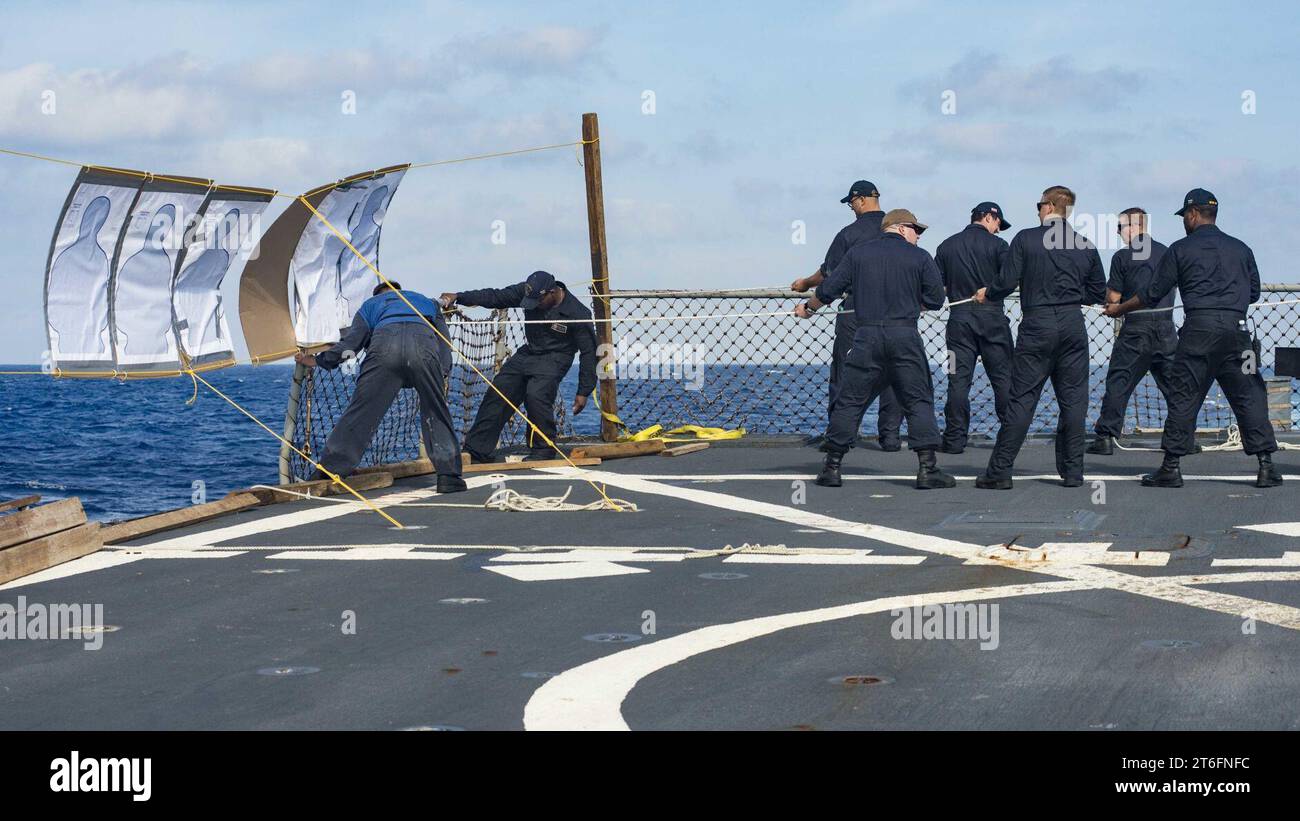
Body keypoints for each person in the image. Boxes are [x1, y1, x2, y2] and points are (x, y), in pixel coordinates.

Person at [1104, 189, 1282, 488]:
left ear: (1192, 214)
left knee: (1184, 396)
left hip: (1198, 333)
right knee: (1250, 395)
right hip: (1238, 335)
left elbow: (1152, 293)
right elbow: (1253, 292)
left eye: (1184, 216)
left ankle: (1171, 467)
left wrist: (1119, 309)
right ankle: (1266, 466)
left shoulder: (1180, 249)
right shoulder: (1241, 248)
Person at [794, 208, 955, 490]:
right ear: (902, 228)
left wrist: (807, 309)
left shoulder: (858, 254)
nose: (918, 236)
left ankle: (832, 467)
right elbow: (936, 299)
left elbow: (828, 289)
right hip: (904, 335)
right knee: (918, 400)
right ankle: (927, 469)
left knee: (850, 400)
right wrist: (909, 303)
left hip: (865, 336)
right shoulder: (919, 257)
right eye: (917, 230)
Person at [974, 185, 1107, 489]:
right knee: (1074, 401)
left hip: (1037, 324)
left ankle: (1000, 472)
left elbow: (1005, 282)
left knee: (1022, 400)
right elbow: (1098, 292)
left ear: (1048, 206)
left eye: (1038, 205)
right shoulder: (1085, 244)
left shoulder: (1025, 239)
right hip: (1073, 324)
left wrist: (987, 293)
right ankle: (1073, 473)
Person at [295, 281, 466, 493]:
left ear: (378, 294)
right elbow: (444, 343)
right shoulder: (426, 301)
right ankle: (449, 476)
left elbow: (351, 345)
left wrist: (320, 360)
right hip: (424, 348)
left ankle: (330, 470)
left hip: (384, 347)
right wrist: (441, 371)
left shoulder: (370, 305)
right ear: (399, 290)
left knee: (361, 412)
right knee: (435, 409)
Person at [791, 180, 904, 451]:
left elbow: (831, 273)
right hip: (896, 315)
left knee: (845, 373)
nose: (851, 207)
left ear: (862, 199)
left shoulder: (849, 234)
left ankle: (841, 435)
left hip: (855, 312)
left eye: (851, 202)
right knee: (894, 373)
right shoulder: (898, 232)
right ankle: (889, 437)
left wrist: (807, 284)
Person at [441, 270, 596, 462]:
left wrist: (584, 391)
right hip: (530, 351)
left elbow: (589, 353)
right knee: (499, 391)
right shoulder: (527, 292)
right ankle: (476, 450)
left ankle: (543, 450)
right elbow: (495, 296)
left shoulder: (578, 313)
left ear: (552, 293)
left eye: (538, 302)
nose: (534, 306)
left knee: (536, 394)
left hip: (556, 356)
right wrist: (460, 297)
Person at [1086, 208, 1177, 455]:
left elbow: (1113, 297)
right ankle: (1182, 438)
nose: (1117, 232)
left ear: (1134, 227)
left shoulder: (1122, 257)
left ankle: (1105, 437)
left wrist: (1110, 301)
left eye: (1120, 227)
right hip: (1167, 328)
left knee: (1119, 381)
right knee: (1175, 387)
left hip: (1136, 327)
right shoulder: (1169, 254)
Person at [934, 202, 1014, 454]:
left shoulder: (946, 246)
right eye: (998, 223)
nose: (999, 229)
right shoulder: (1000, 246)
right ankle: (1011, 435)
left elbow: (937, 288)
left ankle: (955, 438)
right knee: (1003, 380)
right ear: (989, 217)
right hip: (993, 321)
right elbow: (1010, 280)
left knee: (957, 380)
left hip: (958, 323)